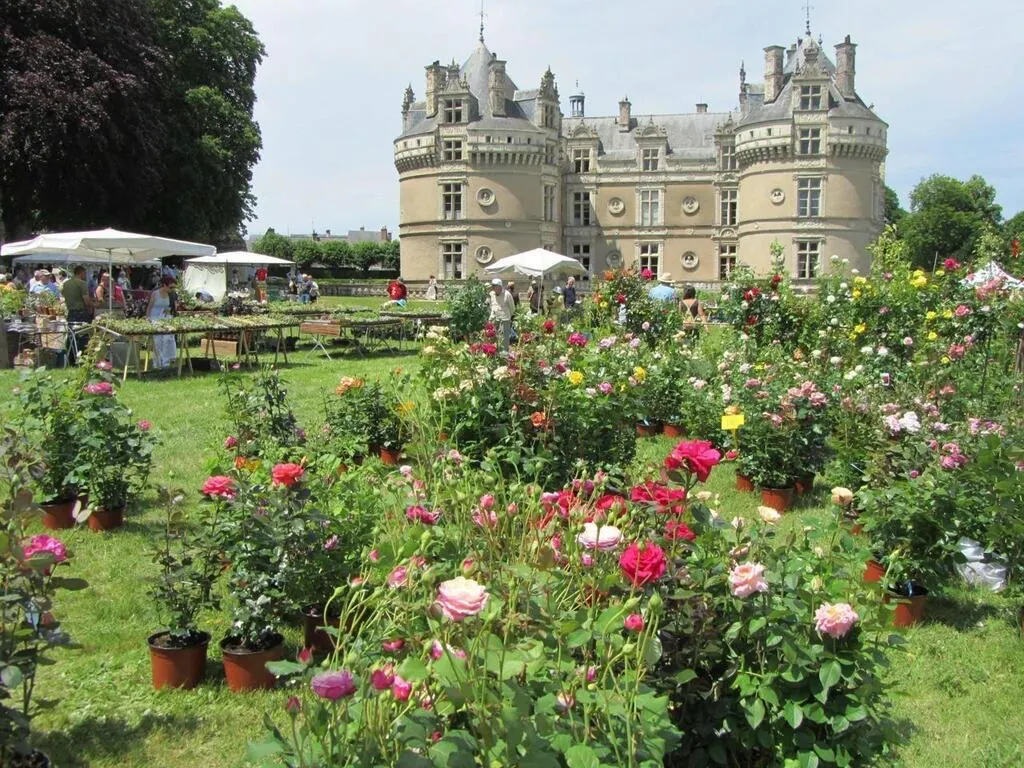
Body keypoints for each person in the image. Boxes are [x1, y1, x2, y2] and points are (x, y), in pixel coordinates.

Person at [146, 275, 178, 369]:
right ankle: (157, 363)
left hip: (166, 319)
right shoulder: (155, 294)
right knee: (157, 342)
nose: (172, 289)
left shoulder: (171, 295)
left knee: (167, 340)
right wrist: (147, 319)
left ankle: (166, 362)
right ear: (164, 285)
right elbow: (149, 307)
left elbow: (172, 308)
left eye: (173, 287)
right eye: (171, 287)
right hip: (154, 319)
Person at [488, 278, 516, 353]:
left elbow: (512, 308)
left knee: (504, 339)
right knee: (494, 337)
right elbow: (492, 306)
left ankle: (504, 355)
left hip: (505, 319)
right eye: (492, 286)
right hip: (495, 318)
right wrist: (490, 319)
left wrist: (507, 316)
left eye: (495, 286)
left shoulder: (507, 294)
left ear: (500, 287)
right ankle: (496, 353)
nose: (493, 288)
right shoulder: (492, 294)